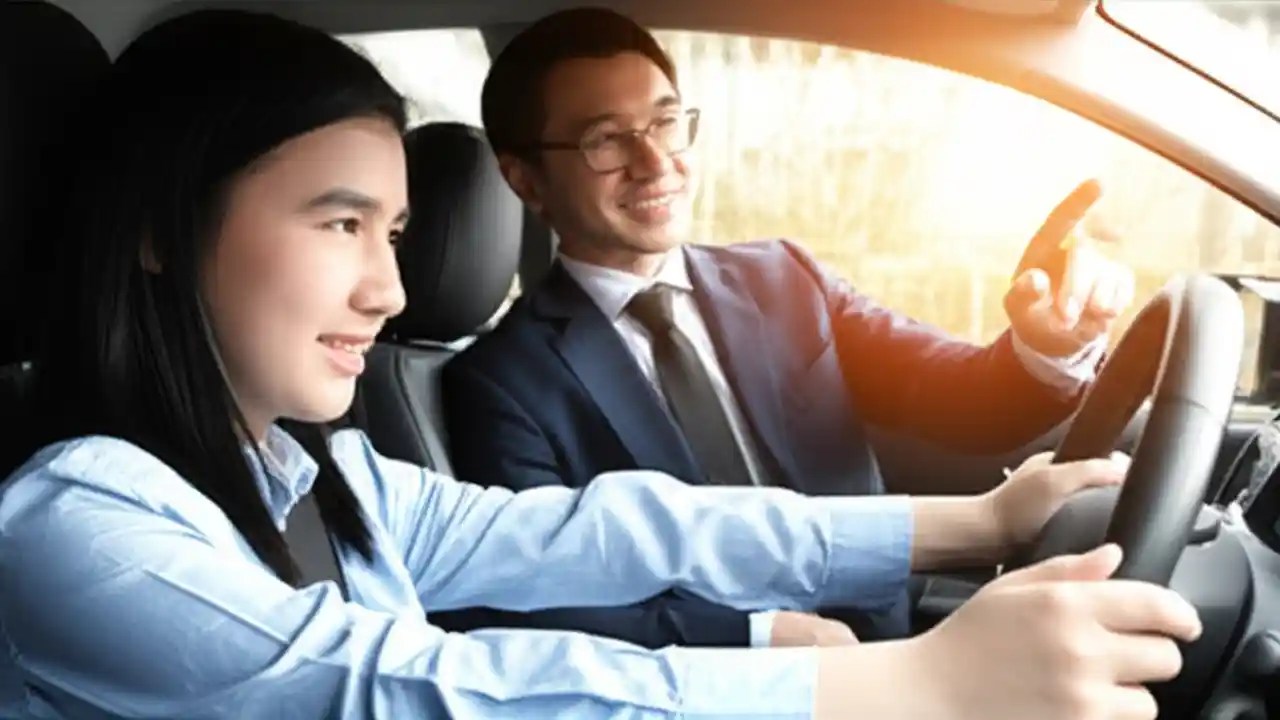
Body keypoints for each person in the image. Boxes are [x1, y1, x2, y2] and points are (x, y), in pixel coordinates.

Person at [0, 10, 1194, 720]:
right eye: (337, 223)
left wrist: (971, 525)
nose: (392, 291)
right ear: (162, 230)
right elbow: (407, 693)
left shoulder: (335, 478)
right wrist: (897, 688)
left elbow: (619, 527)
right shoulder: (72, 529)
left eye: (397, 233)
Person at [440, 6, 1138, 647]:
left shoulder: (783, 279)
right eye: (606, 142)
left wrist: (1049, 347)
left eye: (665, 122)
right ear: (527, 181)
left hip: (899, 648)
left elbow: (957, 400)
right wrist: (761, 637)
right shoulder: (503, 382)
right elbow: (546, 598)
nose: (656, 162)